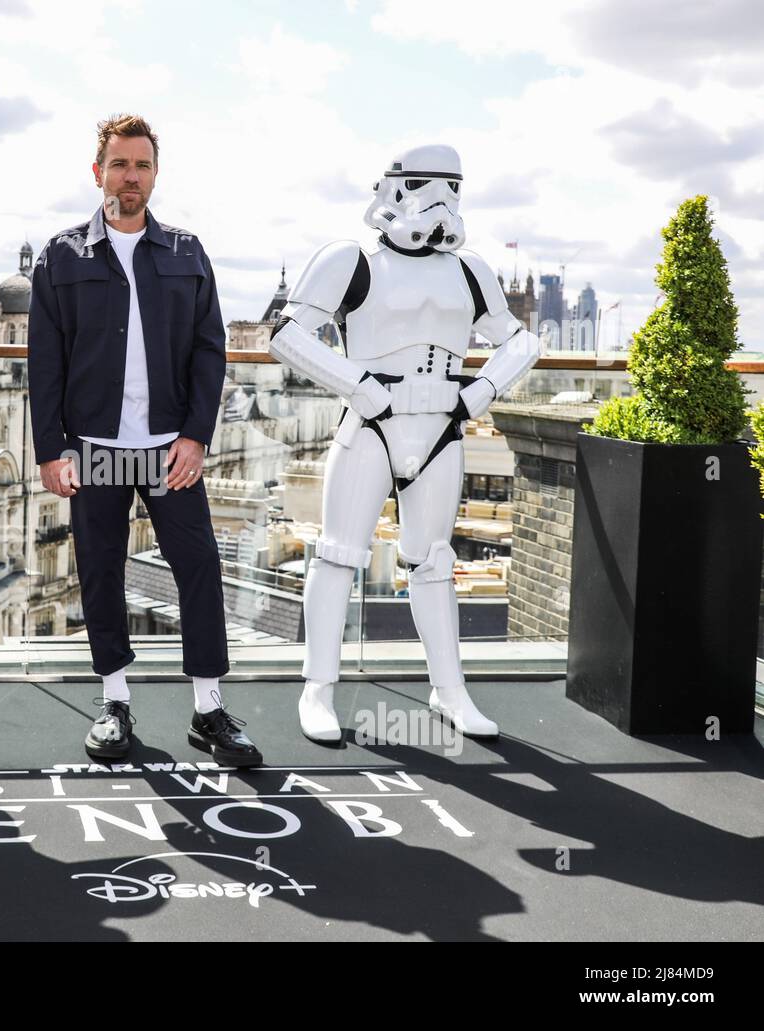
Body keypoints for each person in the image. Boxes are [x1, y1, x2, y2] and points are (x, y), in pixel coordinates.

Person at [268, 143, 542, 744]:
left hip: (442, 428)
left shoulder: (470, 270)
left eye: (452, 186)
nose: (440, 199)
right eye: (427, 184)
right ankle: (318, 687)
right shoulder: (350, 259)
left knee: (434, 563)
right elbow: (288, 336)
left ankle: (451, 691)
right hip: (371, 425)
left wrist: (481, 391)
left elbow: (520, 342)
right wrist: (359, 385)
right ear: (394, 188)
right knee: (339, 555)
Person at [27, 114, 262, 767]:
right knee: (100, 569)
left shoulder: (186, 253)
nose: (131, 176)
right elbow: (43, 361)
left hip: (170, 449)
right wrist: (50, 448)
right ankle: (115, 701)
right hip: (94, 446)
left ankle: (209, 709)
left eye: (143, 165)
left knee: (199, 568)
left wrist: (196, 437)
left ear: (155, 173)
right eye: (120, 163)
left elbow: (210, 351)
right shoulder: (60, 256)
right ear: (97, 169)